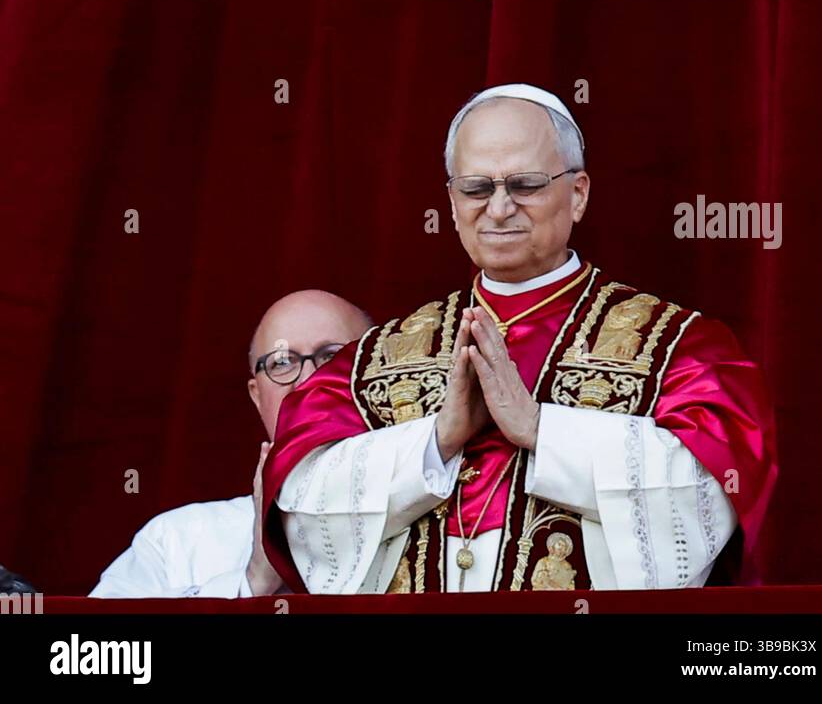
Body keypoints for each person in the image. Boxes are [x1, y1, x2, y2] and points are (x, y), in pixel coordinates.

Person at [262, 84, 778, 594]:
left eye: (525, 185)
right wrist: (437, 440)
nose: (500, 207)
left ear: (578, 195)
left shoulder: (675, 346)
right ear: (451, 200)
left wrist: (540, 429)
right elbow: (302, 500)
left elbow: (711, 494)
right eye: (476, 188)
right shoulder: (379, 355)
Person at [90, 290, 371, 598]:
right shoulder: (176, 540)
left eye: (332, 356)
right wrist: (254, 582)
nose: (308, 381)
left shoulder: (430, 519)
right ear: (257, 396)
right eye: (281, 362)